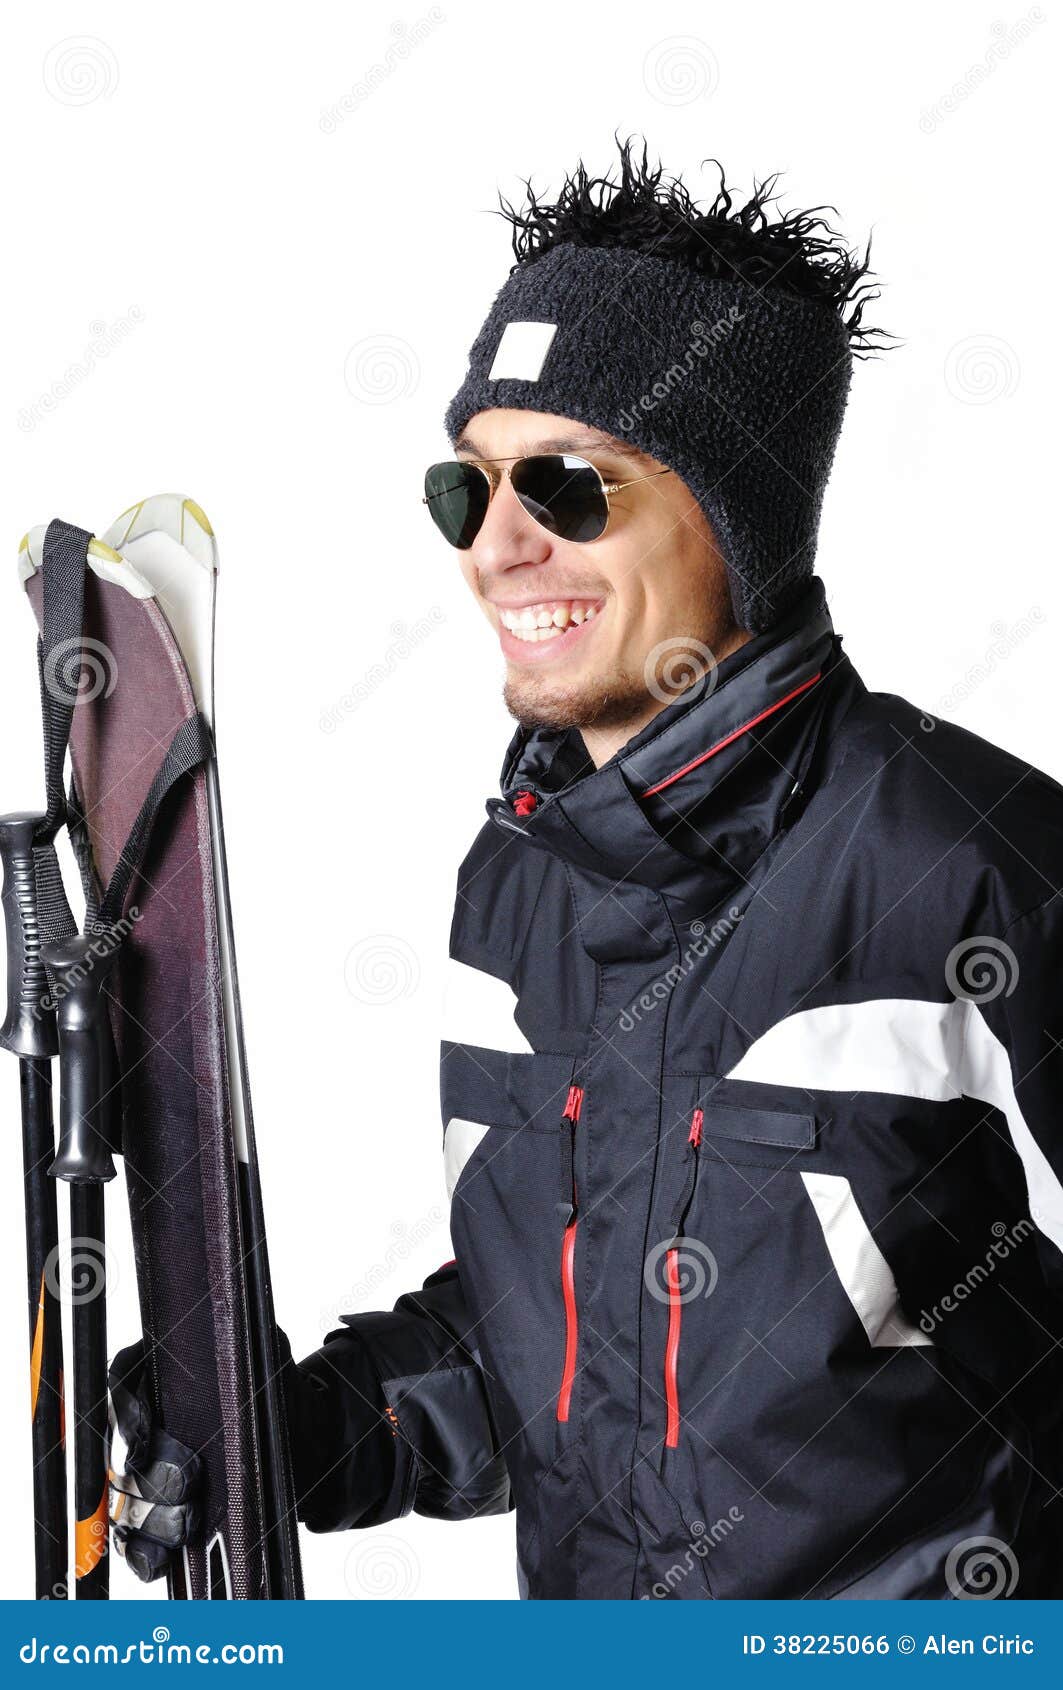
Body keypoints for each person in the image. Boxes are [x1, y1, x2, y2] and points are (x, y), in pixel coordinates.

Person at [284, 139, 1063, 1599]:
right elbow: (567, 1336)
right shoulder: (513, 887)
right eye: (469, 490)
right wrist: (324, 1428)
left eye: (569, 486)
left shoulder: (969, 863)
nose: (498, 547)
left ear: (735, 514)